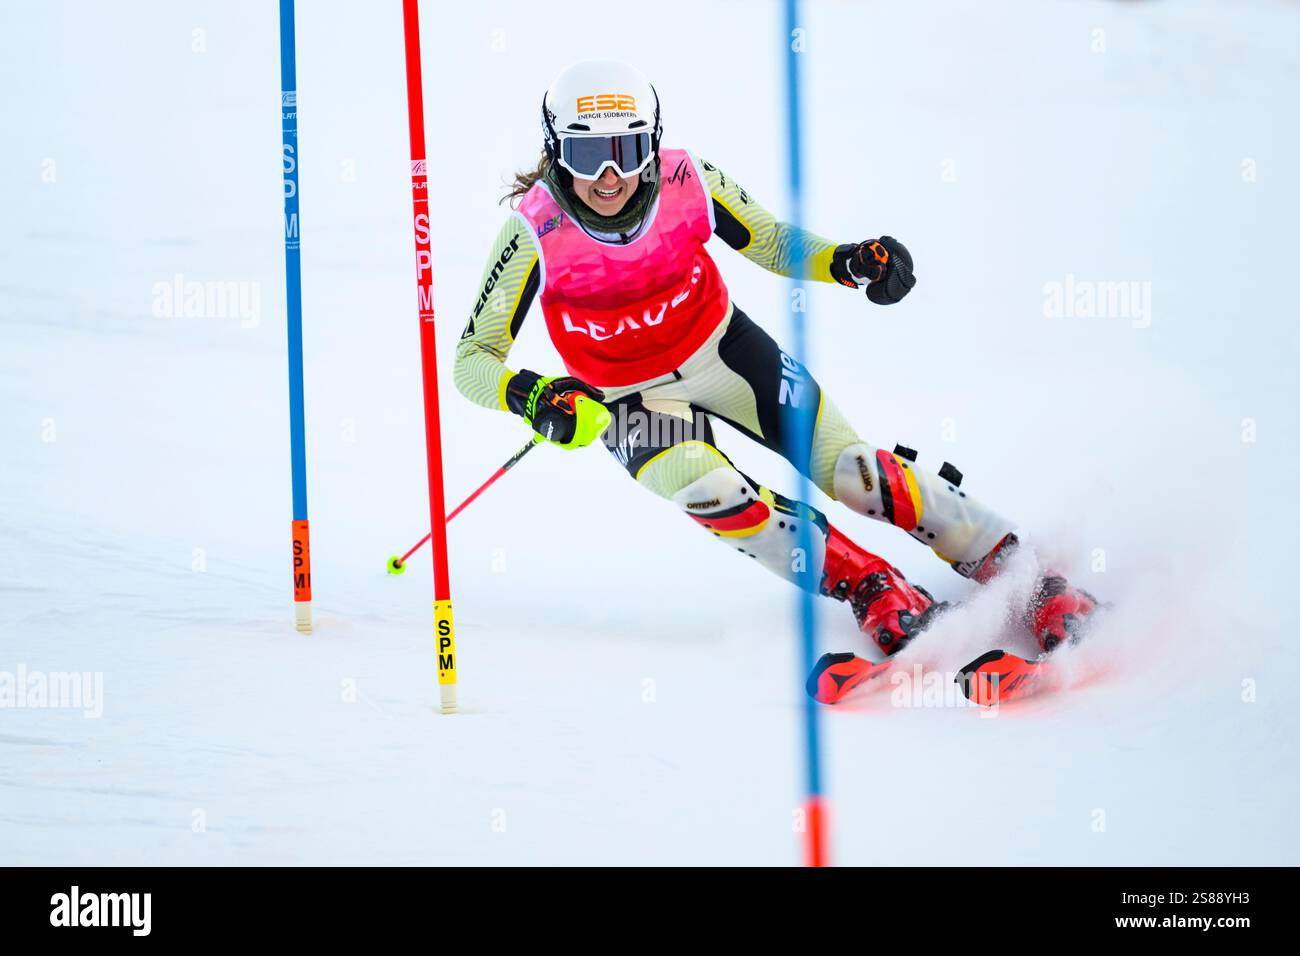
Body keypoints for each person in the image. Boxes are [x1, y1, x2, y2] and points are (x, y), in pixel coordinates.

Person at [453, 60, 1098, 702]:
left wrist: (846, 262)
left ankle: (1029, 575)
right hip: (626, 399)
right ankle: (869, 584)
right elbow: (471, 359)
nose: (609, 176)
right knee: (715, 493)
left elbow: (767, 240)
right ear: (554, 149)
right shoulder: (533, 231)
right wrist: (534, 397)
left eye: (625, 150)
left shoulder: (686, 179)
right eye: (587, 153)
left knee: (853, 471)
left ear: (651, 144)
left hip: (723, 350)